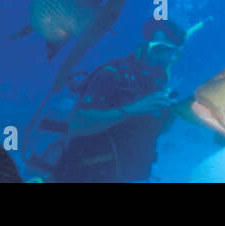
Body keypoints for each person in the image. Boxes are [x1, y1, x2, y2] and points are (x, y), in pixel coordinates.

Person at [41, 19, 187, 182]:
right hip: (85, 174)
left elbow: (152, 131)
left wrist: (170, 115)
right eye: (158, 50)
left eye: (171, 54)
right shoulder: (112, 73)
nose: (163, 59)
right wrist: (132, 109)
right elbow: (76, 124)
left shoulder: (156, 86)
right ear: (144, 46)